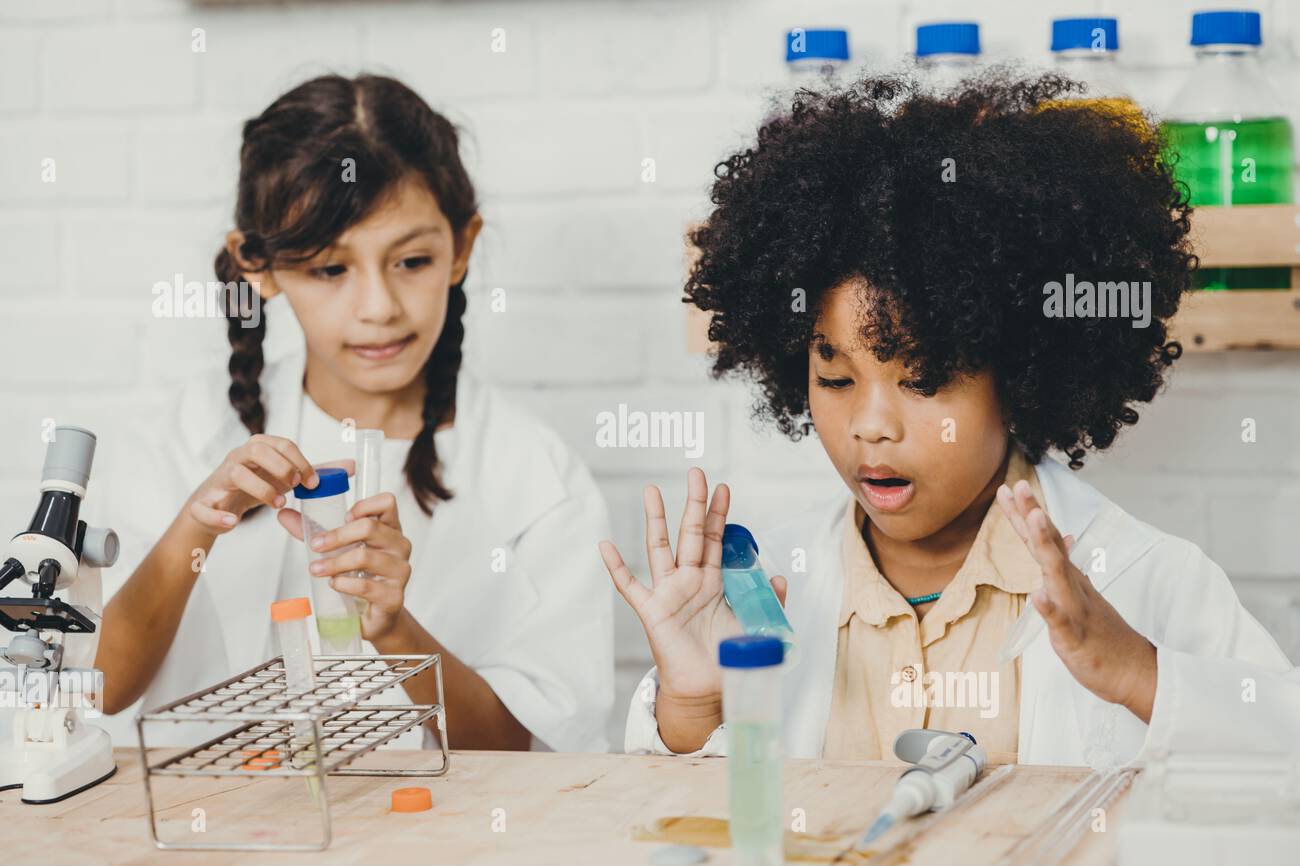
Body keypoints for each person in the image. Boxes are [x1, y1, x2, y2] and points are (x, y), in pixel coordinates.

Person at [601, 71, 1298, 765]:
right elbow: (691, 828)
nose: (872, 426)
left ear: (1019, 375)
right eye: (836, 377)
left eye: (923, 380)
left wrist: (1139, 673)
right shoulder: (771, 585)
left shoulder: (1148, 579)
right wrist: (693, 708)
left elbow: (1281, 766)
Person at [92, 74, 613, 752]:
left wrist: (394, 628)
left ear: (463, 246)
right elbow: (98, 687)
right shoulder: (180, 439)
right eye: (331, 270)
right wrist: (195, 525)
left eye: (412, 261)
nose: (379, 308)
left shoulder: (535, 477)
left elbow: (527, 748)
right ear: (260, 266)